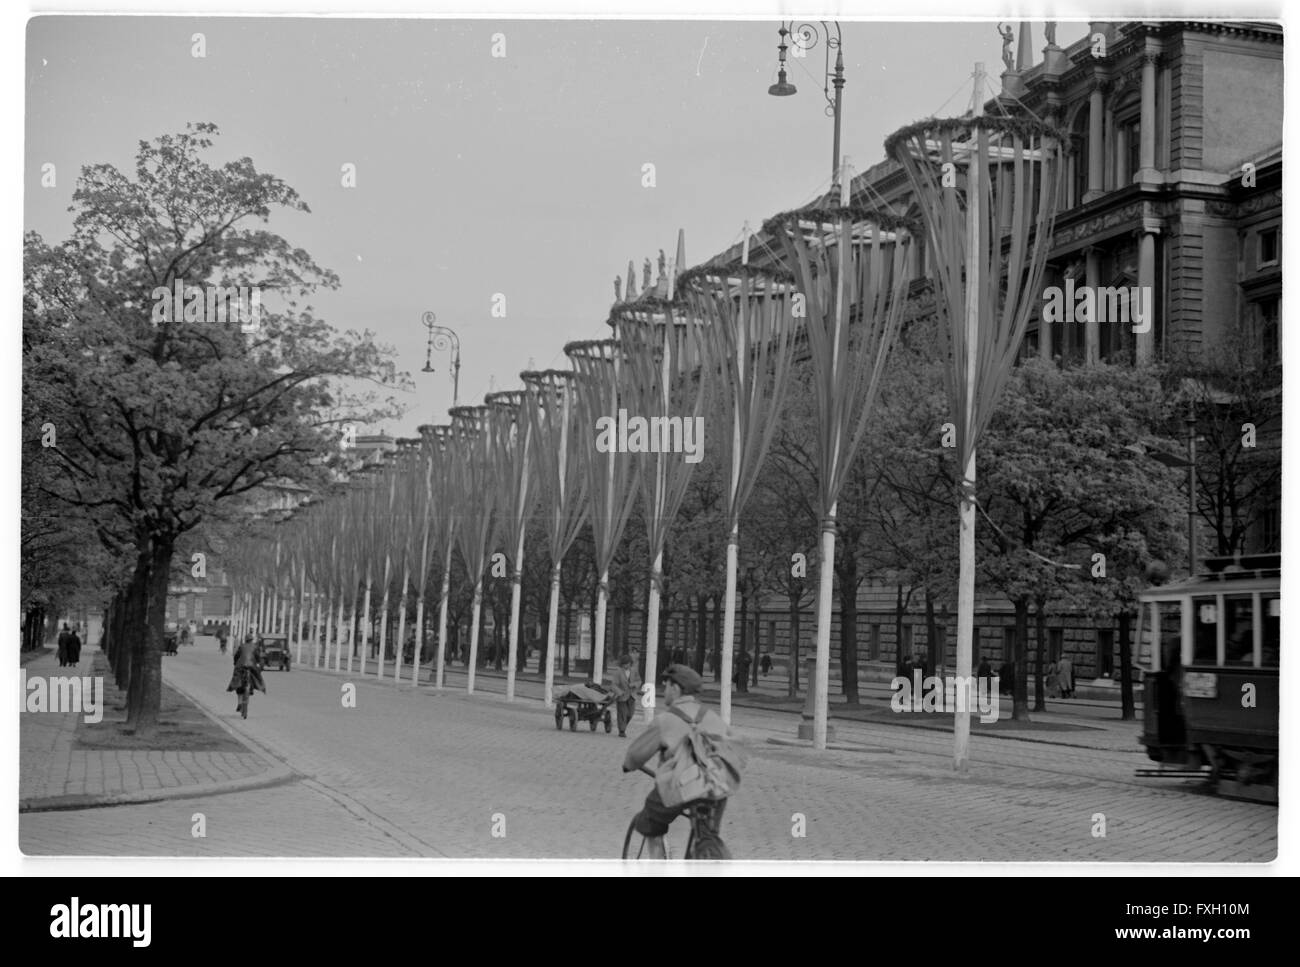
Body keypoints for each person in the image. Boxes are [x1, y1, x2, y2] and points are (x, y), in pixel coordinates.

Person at [622, 664, 735, 859]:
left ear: (676, 688)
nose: (664, 690)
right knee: (708, 835)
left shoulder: (666, 720)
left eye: (666, 686)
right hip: (715, 786)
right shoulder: (713, 718)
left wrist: (628, 765)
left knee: (650, 824)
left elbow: (635, 756)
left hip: (678, 785)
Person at [227, 633, 267, 711]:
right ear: (252, 640)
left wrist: (235, 663)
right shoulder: (255, 647)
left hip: (241, 665)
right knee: (257, 676)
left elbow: (236, 656)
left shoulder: (242, 646)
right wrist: (258, 663)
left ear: (246, 640)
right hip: (252, 666)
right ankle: (260, 686)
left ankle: (239, 702)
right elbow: (258, 657)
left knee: (236, 680)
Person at [610, 653, 639, 738]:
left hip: (632, 696)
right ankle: (621, 730)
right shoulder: (618, 672)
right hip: (621, 697)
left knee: (630, 713)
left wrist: (634, 684)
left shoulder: (634, 671)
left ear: (630, 663)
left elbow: (639, 681)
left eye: (627, 664)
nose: (625, 666)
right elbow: (613, 685)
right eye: (624, 664)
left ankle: (623, 726)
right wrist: (619, 692)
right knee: (622, 713)